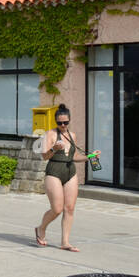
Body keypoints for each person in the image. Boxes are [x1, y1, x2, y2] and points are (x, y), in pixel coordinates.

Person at [35, 103, 98, 252]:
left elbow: (74, 156)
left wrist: (90, 157)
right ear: (56, 122)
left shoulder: (72, 136)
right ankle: (40, 229)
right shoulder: (50, 134)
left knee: (69, 208)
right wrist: (53, 148)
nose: (63, 125)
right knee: (57, 209)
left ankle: (65, 242)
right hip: (54, 171)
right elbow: (44, 156)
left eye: (65, 122)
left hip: (70, 171)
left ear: (69, 121)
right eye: (59, 123)